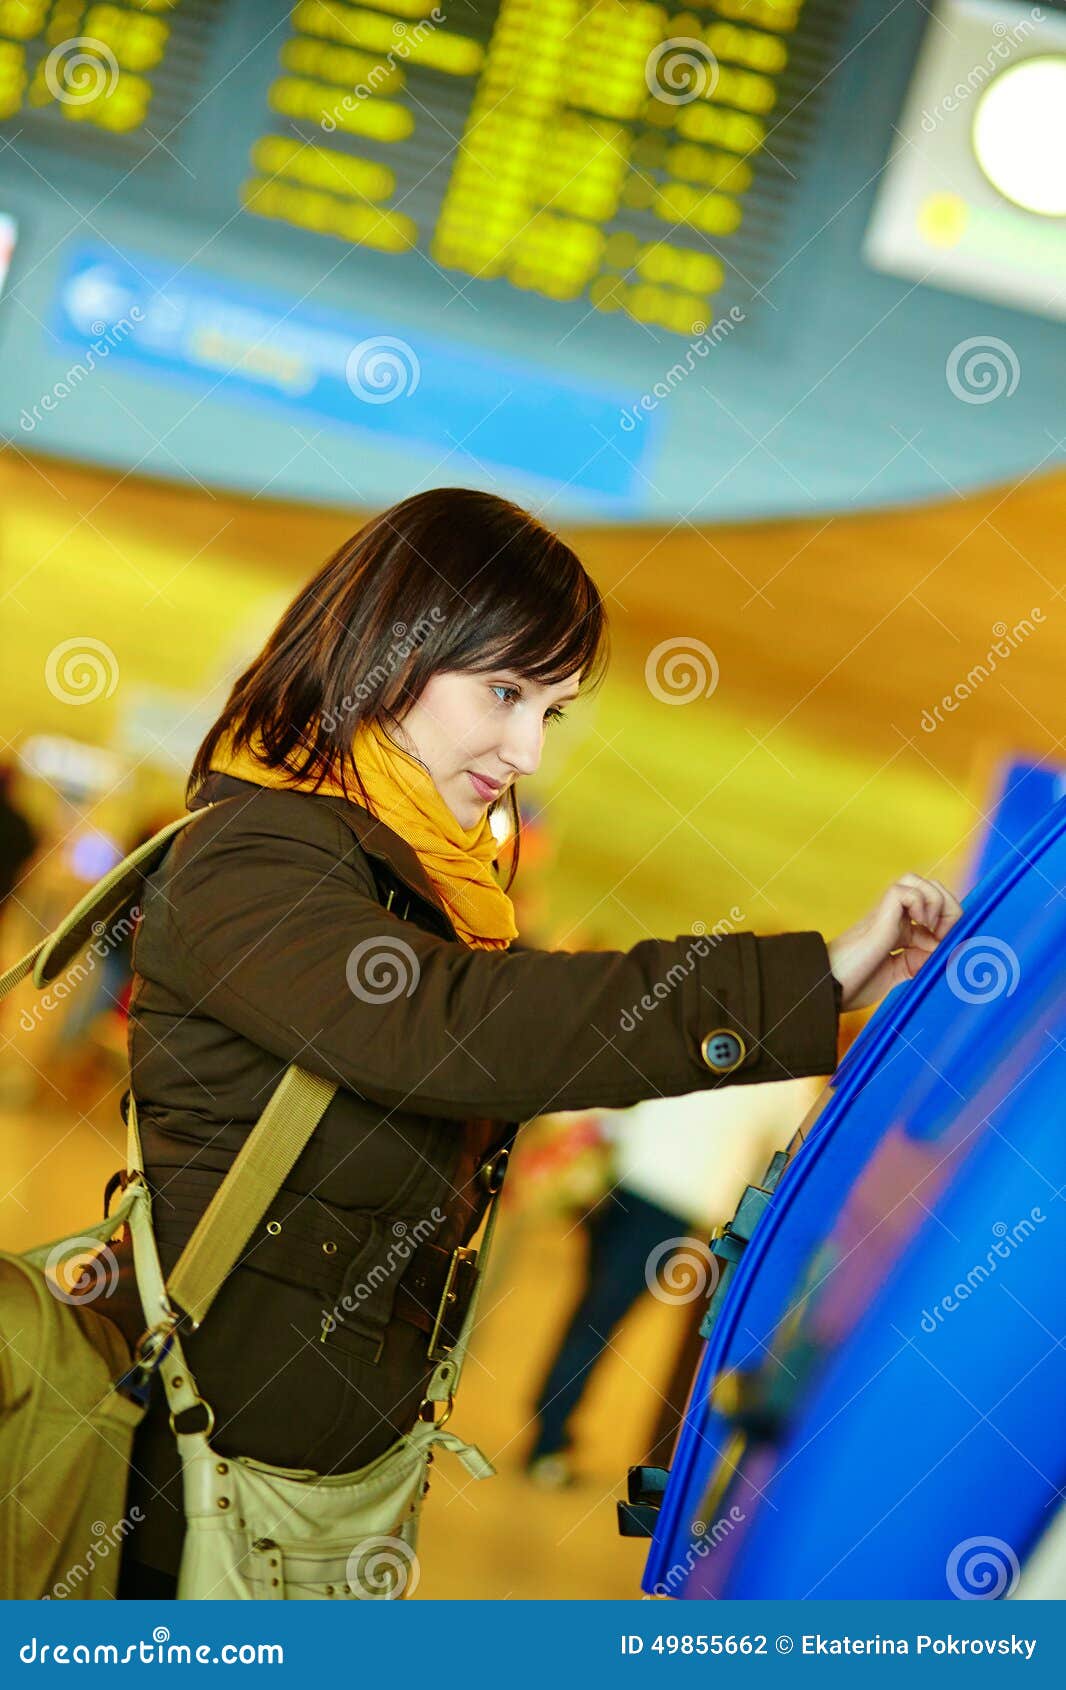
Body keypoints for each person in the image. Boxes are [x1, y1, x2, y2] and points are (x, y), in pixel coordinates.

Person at [112, 486, 962, 1597]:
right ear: (385, 651)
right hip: (196, 1492)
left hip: (321, 1486)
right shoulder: (254, 858)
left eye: (549, 710)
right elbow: (464, 1023)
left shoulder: (416, 884)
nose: (525, 749)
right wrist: (809, 978)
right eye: (505, 691)